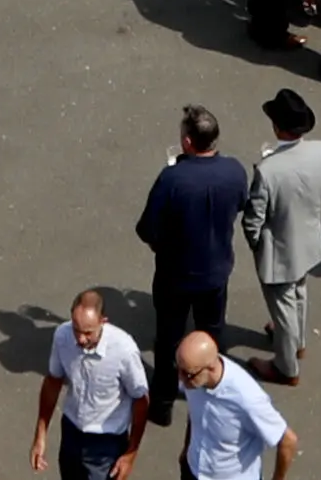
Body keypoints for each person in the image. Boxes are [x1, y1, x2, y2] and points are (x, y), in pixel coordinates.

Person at [132, 108, 248, 418]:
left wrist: (162, 243)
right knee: (212, 333)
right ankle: (213, 393)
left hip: (176, 275)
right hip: (216, 271)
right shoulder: (234, 171)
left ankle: (163, 401)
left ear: (186, 141)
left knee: (169, 338)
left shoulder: (172, 178)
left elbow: (146, 228)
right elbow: (240, 204)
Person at [243, 93, 321, 390]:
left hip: (279, 249)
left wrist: (258, 244)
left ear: (276, 127)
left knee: (282, 306)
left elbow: (253, 220)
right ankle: (298, 342)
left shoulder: (267, 170)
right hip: (308, 241)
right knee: (298, 291)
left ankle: (286, 366)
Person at [37, 288, 152, 480]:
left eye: (88, 333)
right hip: (72, 432)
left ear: (103, 322)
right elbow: (53, 382)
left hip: (107, 443)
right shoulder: (62, 336)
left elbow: (140, 400)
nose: (81, 339)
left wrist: (130, 454)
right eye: (76, 330)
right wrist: (40, 435)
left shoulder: (124, 350)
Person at [161, 332, 290, 480]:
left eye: (186, 374)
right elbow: (195, 413)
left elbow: (287, 441)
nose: (181, 380)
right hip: (194, 470)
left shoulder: (247, 398)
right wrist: (187, 449)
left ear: (210, 368)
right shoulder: (194, 379)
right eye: (178, 369)